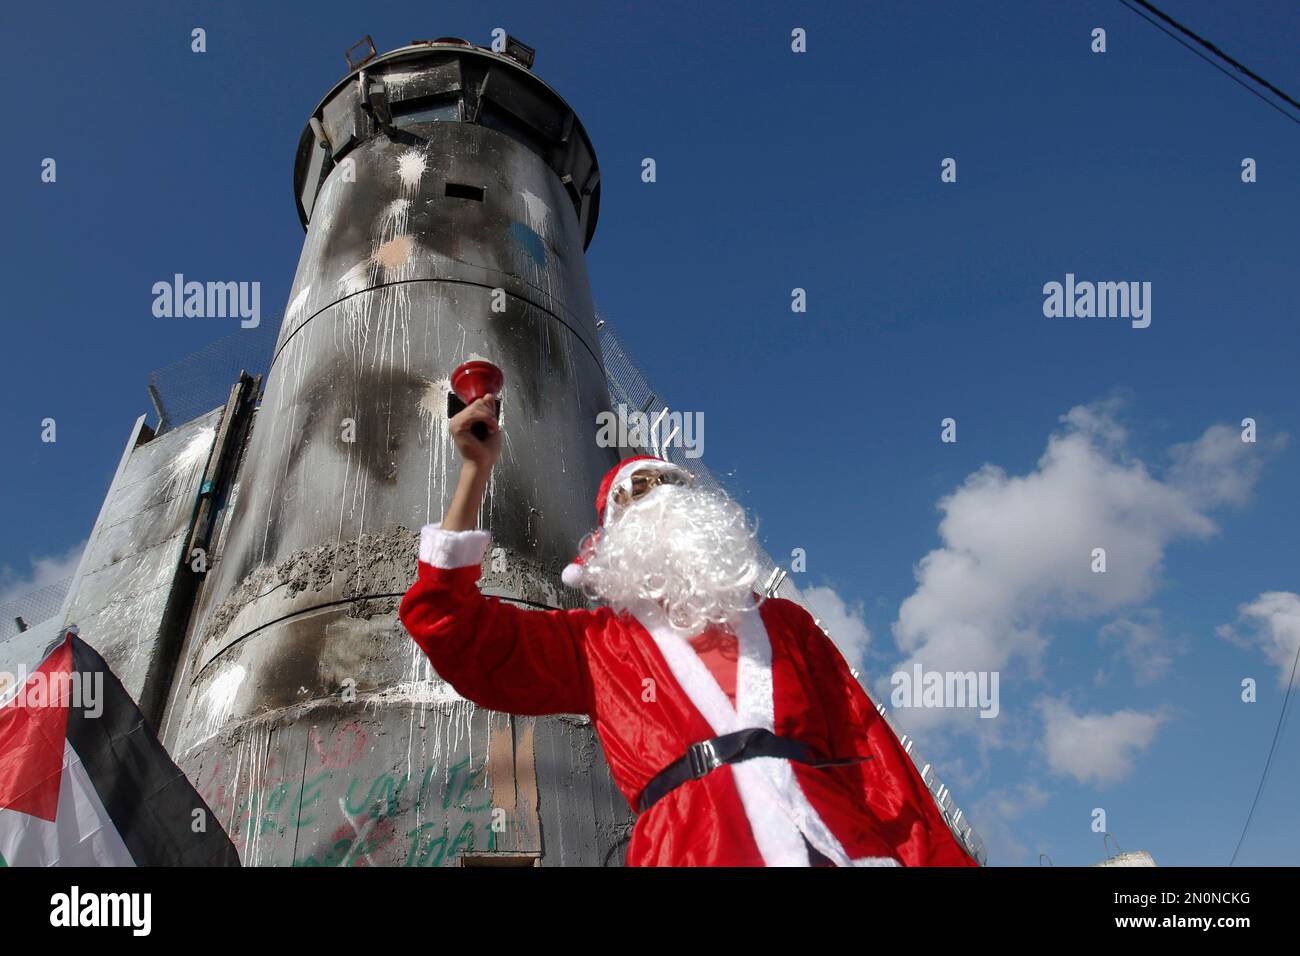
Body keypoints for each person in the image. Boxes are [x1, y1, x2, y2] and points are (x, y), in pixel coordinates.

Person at [399, 393, 978, 867]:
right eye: (630, 497)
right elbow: (451, 625)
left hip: (835, 841)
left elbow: (871, 753)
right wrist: (475, 471)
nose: (653, 500)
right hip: (689, 847)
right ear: (610, 542)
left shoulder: (786, 623)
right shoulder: (597, 641)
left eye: (665, 484)